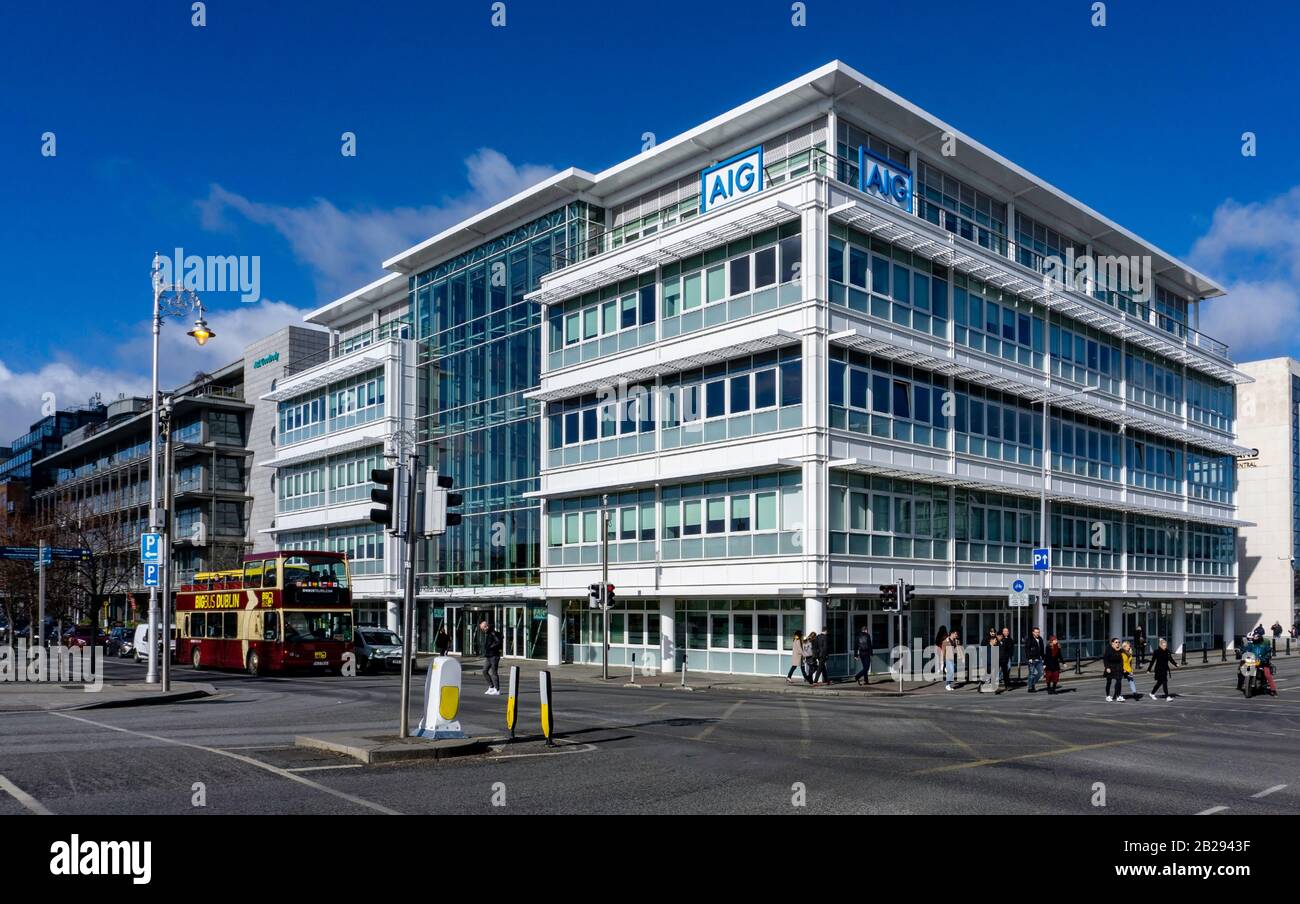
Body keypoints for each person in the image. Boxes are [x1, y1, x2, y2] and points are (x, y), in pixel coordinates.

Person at [479, 620, 502, 695]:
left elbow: (498, 642)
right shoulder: (488, 633)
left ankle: (497, 689)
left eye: (483, 628)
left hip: (494, 655)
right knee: (484, 671)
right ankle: (491, 687)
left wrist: (491, 647)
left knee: (494, 672)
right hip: (489, 655)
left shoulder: (493, 633)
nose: (482, 630)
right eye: (482, 629)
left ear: (486, 626)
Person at [1025, 626, 1046, 693]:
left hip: (1039, 659)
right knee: (1032, 674)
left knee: (1041, 673)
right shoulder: (1029, 639)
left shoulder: (1040, 639)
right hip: (1031, 659)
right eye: (1036, 632)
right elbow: (1027, 649)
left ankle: (1032, 684)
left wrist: (1043, 659)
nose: (1037, 633)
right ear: (1033, 633)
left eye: (1038, 632)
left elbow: (1042, 650)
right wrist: (1029, 658)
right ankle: (1030, 688)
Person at [1103, 637, 1124, 702]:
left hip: (1118, 667)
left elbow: (1122, 659)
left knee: (1119, 681)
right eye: (1116, 642)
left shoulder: (1120, 650)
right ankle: (1108, 696)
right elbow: (1105, 659)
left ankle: (1118, 696)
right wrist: (1107, 667)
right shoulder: (1109, 649)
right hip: (1110, 667)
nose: (1118, 644)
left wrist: (1123, 668)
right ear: (1112, 643)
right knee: (1109, 682)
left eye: (1118, 642)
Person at [998, 626, 1014, 691]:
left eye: (1007, 631)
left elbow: (1011, 649)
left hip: (1006, 658)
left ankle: (1007, 685)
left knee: (1007, 670)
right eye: (1005, 631)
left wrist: (1010, 656)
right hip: (998, 658)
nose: (1006, 632)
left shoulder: (1009, 640)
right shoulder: (998, 641)